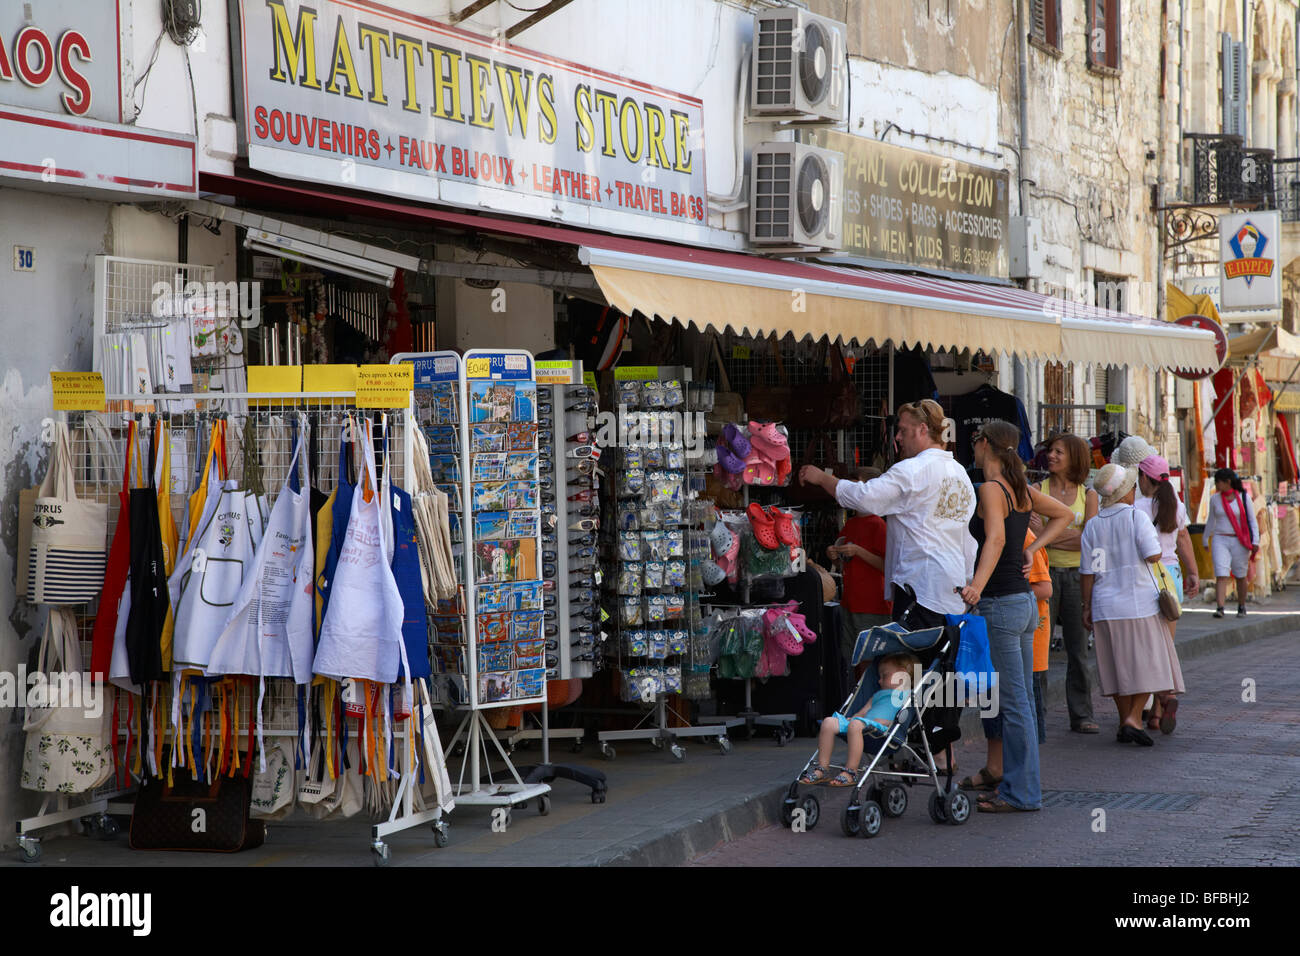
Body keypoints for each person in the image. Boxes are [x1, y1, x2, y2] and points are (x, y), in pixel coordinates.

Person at [957, 421, 1071, 812]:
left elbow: (997, 538)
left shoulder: (991, 488)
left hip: (1001, 605)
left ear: (985, 444)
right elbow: (1064, 515)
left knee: (1014, 704)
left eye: (975, 441)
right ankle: (1020, 788)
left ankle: (1022, 793)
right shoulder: (1019, 488)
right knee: (1019, 701)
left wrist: (976, 584)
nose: (973, 447)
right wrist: (1034, 548)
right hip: (1022, 605)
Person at [799, 398, 977, 630]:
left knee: (912, 662)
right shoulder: (959, 473)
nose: (898, 438)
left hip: (920, 590)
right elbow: (966, 539)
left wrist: (823, 478)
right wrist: (966, 580)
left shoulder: (912, 471)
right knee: (937, 663)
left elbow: (865, 498)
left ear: (922, 430)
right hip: (952, 588)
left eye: (903, 430)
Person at [1080, 464, 1186, 747]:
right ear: (1126, 491)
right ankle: (1133, 718)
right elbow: (1153, 555)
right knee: (1149, 665)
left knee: (1116, 668)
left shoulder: (1093, 525)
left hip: (1104, 604)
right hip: (1139, 603)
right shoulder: (1136, 517)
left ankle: (1127, 719)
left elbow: (1087, 573)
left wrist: (1086, 607)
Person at [1028, 433, 1101, 734]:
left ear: (1075, 457)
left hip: (1076, 578)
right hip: (1043, 575)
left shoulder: (1090, 495)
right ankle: (1037, 713)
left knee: (1078, 650)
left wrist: (1050, 530)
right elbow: (1032, 536)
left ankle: (1082, 714)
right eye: (1051, 451)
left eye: (1058, 451)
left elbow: (1091, 541)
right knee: (1039, 649)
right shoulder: (1036, 490)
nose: (1052, 456)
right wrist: (1072, 534)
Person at [1134, 454, 1199, 733]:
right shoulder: (1177, 505)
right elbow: (1183, 539)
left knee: (1146, 649)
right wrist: (1194, 572)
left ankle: (1154, 704)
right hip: (1170, 578)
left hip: (1146, 577)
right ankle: (1160, 710)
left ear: (1143, 478)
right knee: (1166, 647)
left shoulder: (1135, 507)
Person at [799, 652, 920, 786]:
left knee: (856, 724)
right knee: (828, 722)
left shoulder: (909, 695)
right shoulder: (877, 695)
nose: (879, 681)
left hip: (886, 731)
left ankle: (851, 771)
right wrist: (853, 718)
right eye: (879, 677)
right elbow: (862, 712)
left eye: (884, 676)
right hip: (862, 725)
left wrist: (883, 722)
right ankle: (822, 768)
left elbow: (904, 717)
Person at [826, 466, 890, 682]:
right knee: (852, 658)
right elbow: (843, 561)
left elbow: (887, 567)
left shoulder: (879, 525)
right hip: (850, 602)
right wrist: (834, 554)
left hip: (873, 605)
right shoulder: (852, 523)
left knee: (869, 660)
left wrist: (858, 552)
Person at [1202, 468, 1259, 619]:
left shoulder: (1244, 498)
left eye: (1218, 482)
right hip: (1220, 538)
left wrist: (1255, 541)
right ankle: (1220, 607)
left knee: (1240, 575)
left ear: (1227, 482)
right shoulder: (1215, 499)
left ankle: (1242, 606)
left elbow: (1252, 521)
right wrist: (1205, 538)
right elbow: (1211, 520)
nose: (1216, 485)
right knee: (1221, 573)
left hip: (1239, 540)